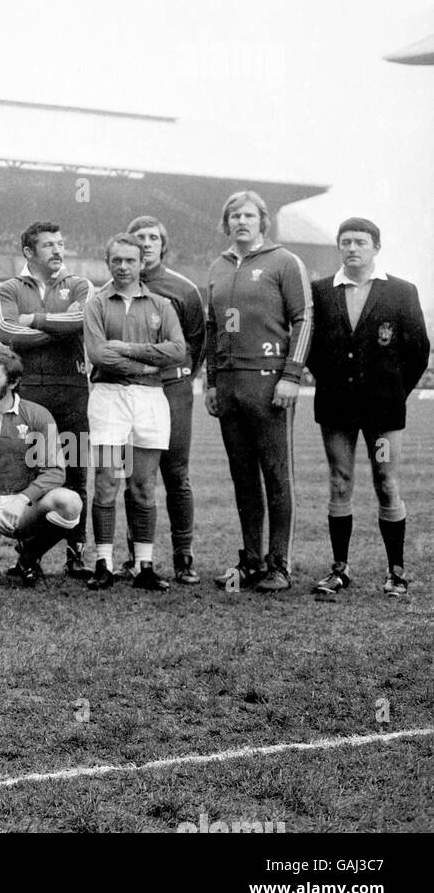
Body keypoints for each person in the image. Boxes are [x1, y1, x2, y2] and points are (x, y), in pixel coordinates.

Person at [306, 218, 429, 600]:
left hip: (382, 415)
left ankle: (396, 571)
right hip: (337, 409)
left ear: (376, 246)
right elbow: (310, 349)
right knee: (340, 480)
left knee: (386, 482)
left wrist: (393, 392)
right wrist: (330, 383)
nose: (352, 248)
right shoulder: (320, 291)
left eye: (360, 242)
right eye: (346, 242)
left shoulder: (401, 291)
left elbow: (418, 352)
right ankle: (340, 569)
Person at [205, 190, 313, 593]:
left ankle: (279, 564)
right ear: (226, 222)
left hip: (269, 382)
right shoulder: (217, 265)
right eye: (234, 215)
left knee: (277, 476)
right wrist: (212, 381)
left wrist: (292, 375)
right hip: (230, 384)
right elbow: (213, 328)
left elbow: (304, 318)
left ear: (262, 220)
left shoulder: (285, 261)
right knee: (243, 477)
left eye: (249, 215)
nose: (241, 222)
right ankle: (250, 560)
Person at [82, 234, 186, 591]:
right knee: (107, 482)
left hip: (150, 400)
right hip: (109, 397)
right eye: (117, 261)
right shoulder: (96, 304)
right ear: (107, 261)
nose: (123, 267)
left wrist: (128, 349)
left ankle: (144, 565)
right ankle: (104, 564)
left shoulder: (162, 304)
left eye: (130, 260)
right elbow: (98, 355)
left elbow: (177, 351)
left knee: (143, 486)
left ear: (142, 262)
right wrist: (146, 363)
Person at [0, 220, 96, 579]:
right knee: (33, 474)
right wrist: (58, 329)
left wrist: (34, 320)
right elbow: (8, 332)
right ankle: (29, 555)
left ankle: (76, 554)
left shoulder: (80, 285)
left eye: (60, 243)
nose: (58, 250)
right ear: (28, 252)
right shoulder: (9, 288)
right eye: (49, 245)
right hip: (31, 394)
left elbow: (83, 321)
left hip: (72, 391)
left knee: (76, 474)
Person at [0, 346, 82, 585]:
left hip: (24, 507)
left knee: (70, 503)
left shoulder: (37, 415)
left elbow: (55, 470)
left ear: (13, 382)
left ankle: (29, 558)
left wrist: (23, 498)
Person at [127, 214, 207, 584]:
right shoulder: (119, 286)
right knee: (134, 474)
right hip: (133, 390)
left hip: (173, 388)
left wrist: (176, 373)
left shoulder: (183, 288)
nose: (145, 243)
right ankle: (136, 555)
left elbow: (196, 343)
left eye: (152, 237)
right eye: (138, 237)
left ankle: (183, 556)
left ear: (163, 244)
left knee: (175, 473)